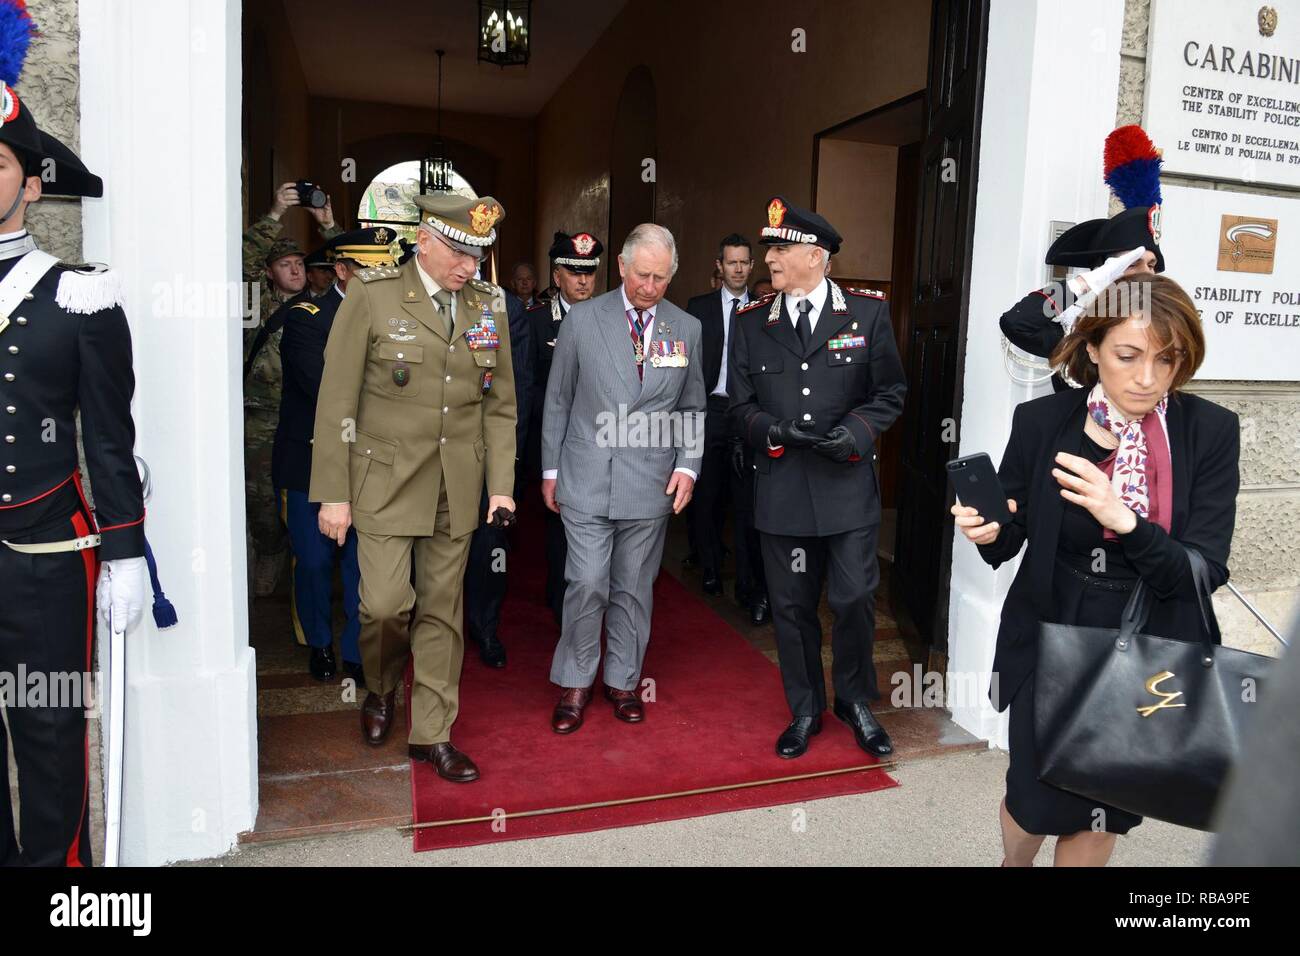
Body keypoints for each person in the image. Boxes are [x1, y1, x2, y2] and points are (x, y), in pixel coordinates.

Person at [954, 273, 1239, 866]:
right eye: (1128, 356)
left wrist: (1127, 521)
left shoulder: (1209, 431)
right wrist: (987, 529)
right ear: (1092, 350)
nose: (1147, 378)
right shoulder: (1042, 423)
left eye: (1169, 360)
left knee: (1102, 803)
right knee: (1033, 798)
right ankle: (1015, 862)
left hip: (1152, 639)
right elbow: (1008, 538)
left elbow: (1202, 571)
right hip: (1053, 626)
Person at [0, 9, 146, 866]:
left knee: (50, 736)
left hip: (47, 555)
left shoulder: (82, 298)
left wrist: (124, 552)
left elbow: (110, 437)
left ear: (31, 183)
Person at [311, 194, 516, 783]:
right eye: (458, 251)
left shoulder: (486, 306)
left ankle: (434, 733)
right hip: (383, 482)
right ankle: (379, 688)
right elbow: (336, 401)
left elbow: (499, 404)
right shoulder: (374, 297)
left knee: (443, 613)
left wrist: (500, 485)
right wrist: (333, 492)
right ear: (423, 240)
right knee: (383, 607)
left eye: (478, 255)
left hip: (458, 484)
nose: (468, 266)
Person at [728, 197, 907, 759]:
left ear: (816, 254)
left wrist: (856, 432)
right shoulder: (753, 322)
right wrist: (772, 430)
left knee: (854, 597)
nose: (771, 259)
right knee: (792, 606)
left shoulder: (868, 314)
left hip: (846, 485)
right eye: (770, 250)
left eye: (780, 248)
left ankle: (854, 700)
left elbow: (890, 394)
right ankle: (804, 707)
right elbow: (738, 405)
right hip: (782, 486)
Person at [542, 223, 705, 733]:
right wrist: (550, 470)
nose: (649, 287)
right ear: (621, 268)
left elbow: (693, 405)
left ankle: (623, 680)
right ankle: (575, 680)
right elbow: (558, 399)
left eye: (660, 278)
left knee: (634, 586)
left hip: (650, 482)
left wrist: (687, 465)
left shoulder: (687, 328)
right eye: (641, 275)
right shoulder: (584, 320)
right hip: (586, 473)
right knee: (587, 582)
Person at [274, 227, 402, 684]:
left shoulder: (400, 319)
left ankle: (355, 649)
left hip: (370, 464)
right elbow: (329, 388)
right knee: (313, 561)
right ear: (342, 271)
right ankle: (319, 642)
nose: (383, 277)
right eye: (371, 269)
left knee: (361, 565)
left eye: (387, 267)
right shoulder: (306, 318)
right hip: (310, 463)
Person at [1000, 125, 1163, 392]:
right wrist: (1086, 283)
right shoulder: (1078, 330)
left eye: (1152, 264)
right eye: (1132, 263)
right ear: (1106, 271)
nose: (1147, 272)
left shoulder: (1163, 325)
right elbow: (1017, 323)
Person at [243, 181, 341, 598]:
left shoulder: (323, 304)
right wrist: (277, 211)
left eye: (300, 262)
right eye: (285, 264)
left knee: (316, 501)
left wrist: (329, 224)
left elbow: (362, 270)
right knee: (264, 503)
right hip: (264, 419)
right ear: (269, 272)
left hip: (314, 420)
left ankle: (315, 568)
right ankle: (270, 551)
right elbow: (243, 262)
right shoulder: (255, 305)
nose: (296, 269)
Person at [686, 233, 768, 624]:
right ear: (719, 266)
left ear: (752, 267)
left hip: (748, 415)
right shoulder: (697, 309)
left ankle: (749, 587)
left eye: (743, 262)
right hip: (708, 411)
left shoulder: (768, 309)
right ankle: (711, 568)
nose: (737, 268)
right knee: (706, 496)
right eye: (730, 262)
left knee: (747, 503)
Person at [525, 231, 602, 625]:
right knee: (559, 523)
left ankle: (588, 598)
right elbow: (526, 385)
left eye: (589, 272)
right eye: (574, 273)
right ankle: (561, 601)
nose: (584, 281)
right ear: (557, 277)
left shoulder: (611, 320)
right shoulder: (537, 322)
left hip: (598, 443)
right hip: (552, 439)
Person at [462, 260, 533, 668]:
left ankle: (485, 627)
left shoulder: (504, 307)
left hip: (487, 455)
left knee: (490, 550)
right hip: (429, 458)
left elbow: (516, 391)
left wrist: (507, 468)